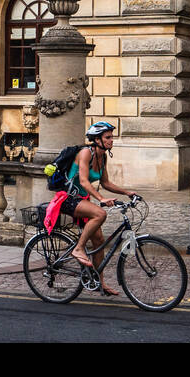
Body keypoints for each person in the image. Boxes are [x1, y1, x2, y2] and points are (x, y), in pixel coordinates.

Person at [66, 122, 136, 292]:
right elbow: (83, 180)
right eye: (108, 137)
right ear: (97, 139)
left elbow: (105, 183)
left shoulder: (102, 156)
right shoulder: (85, 153)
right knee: (100, 214)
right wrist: (101, 199)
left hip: (83, 200)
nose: (112, 140)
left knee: (99, 241)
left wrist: (127, 192)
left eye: (111, 137)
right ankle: (78, 248)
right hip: (68, 198)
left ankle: (99, 283)